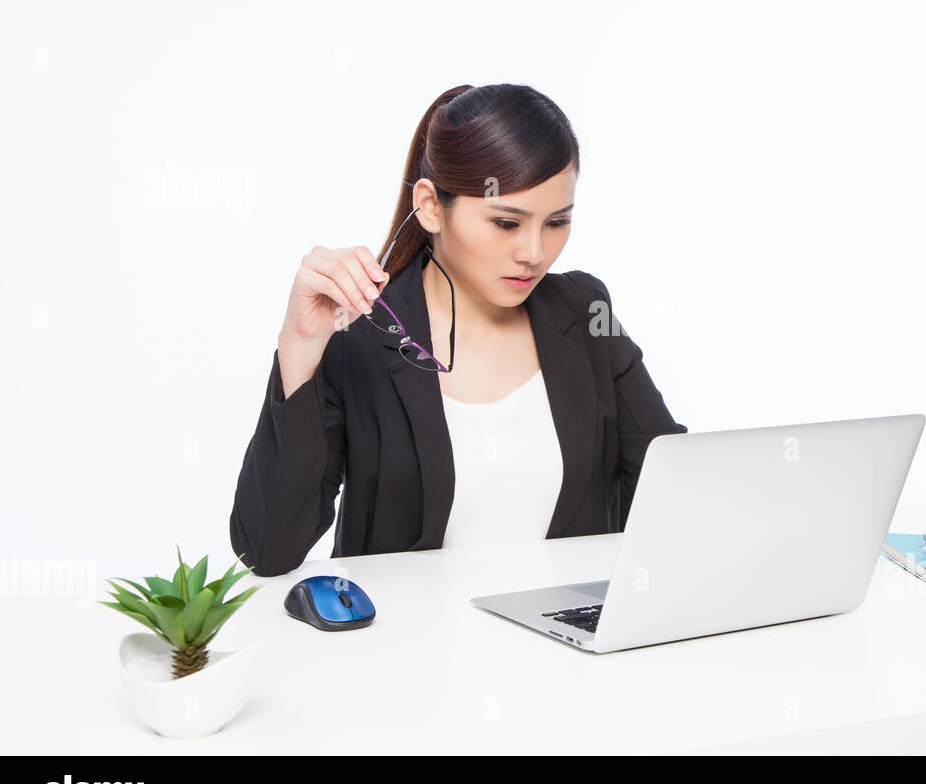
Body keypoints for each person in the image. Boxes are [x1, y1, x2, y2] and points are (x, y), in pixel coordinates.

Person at [229, 83, 687, 576]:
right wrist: (300, 346)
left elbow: (674, 495)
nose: (534, 252)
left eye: (556, 222)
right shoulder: (361, 331)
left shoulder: (585, 311)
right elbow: (266, 549)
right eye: (507, 223)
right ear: (430, 206)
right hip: (408, 647)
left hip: (563, 644)